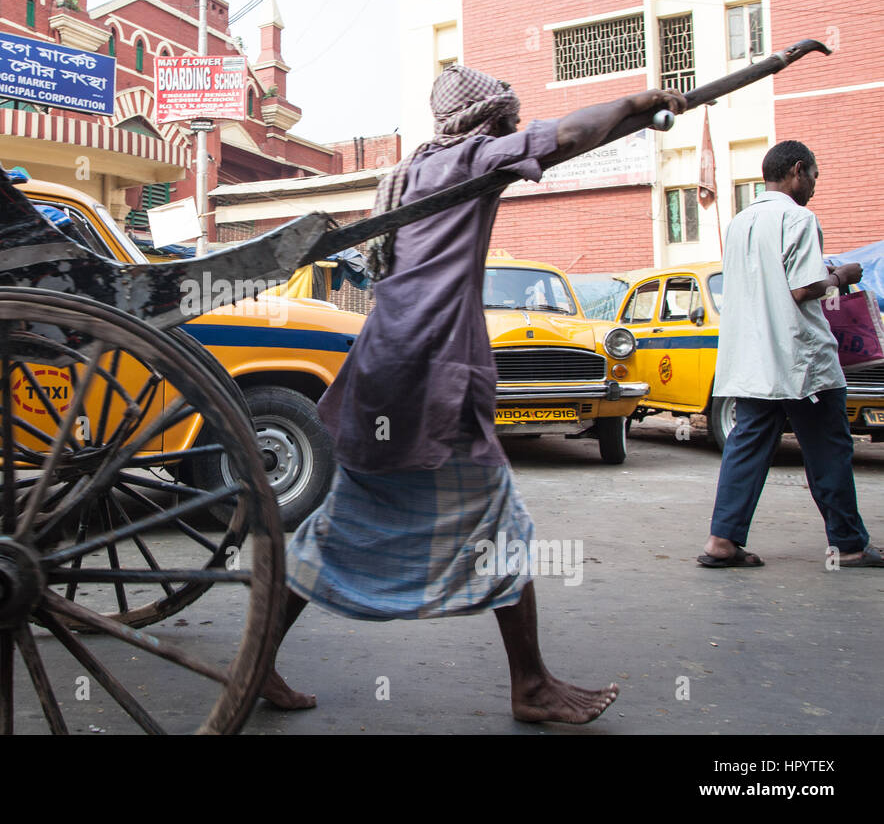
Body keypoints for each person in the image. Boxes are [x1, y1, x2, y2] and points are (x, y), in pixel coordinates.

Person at [259, 66, 687, 722]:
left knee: (344, 525)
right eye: (507, 116)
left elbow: (565, 141)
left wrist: (638, 115)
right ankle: (532, 685)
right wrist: (638, 98)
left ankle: (256, 663)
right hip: (429, 374)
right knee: (501, 527)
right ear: (485, 120)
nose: (516, 126)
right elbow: (565, 138)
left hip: (388, 369)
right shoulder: (472, 160)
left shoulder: (415, 168)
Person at [698, 140, 884, 569]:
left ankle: (721, 542)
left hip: (751, 361)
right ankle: (850, 546)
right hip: (800, 362)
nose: (814, 188)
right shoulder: (798, 217)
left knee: (745, 450)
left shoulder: (740, 221)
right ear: (798, 170)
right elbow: (802, 288)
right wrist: (841, 275)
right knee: (828, 451)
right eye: (814, 178)